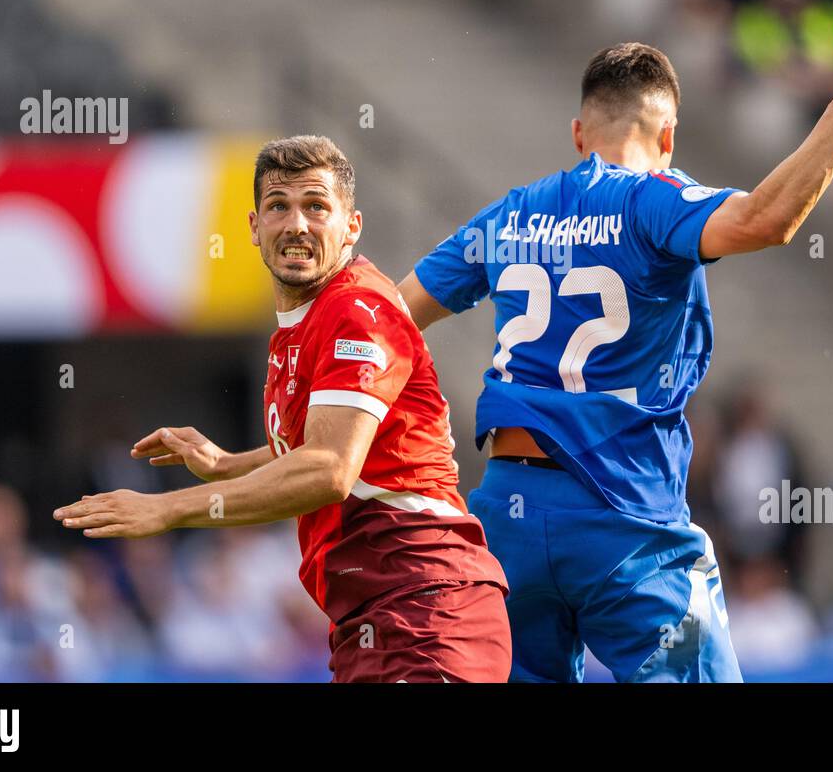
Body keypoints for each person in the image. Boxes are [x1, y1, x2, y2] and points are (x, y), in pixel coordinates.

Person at [396, 10, 833, 682]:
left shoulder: (509, 213)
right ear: (669, 137)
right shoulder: (656, 200)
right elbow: (769, 218)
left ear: (577, 134)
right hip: (623, 519)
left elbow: (387, 320)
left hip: (506, 516)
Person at [55, 135, 510, 683]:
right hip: (377, 620)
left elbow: (329, 469)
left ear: (352, 226)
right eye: (279, 206)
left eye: (316, 206)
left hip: (427, 612)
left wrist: (168, 509)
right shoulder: (301, 328)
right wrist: (226, 464)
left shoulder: (356, 310)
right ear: (254, 227)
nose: (296, 223)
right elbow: (315, 448)